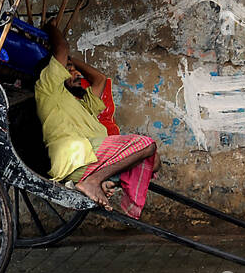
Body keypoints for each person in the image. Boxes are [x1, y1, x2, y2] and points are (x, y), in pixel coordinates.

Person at [34, 21, 157, 218]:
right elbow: (61, 47)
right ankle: (93, 181)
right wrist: (49, 26)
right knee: (146, 146)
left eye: (74, 69)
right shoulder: (48, 88)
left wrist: (72, 61)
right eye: (68, 69)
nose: (75, 73)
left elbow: (99, 79)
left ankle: (106, 180)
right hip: (76, 158)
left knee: (154, 159)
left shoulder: (80, 104)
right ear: (55, 73)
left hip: (91, 155)